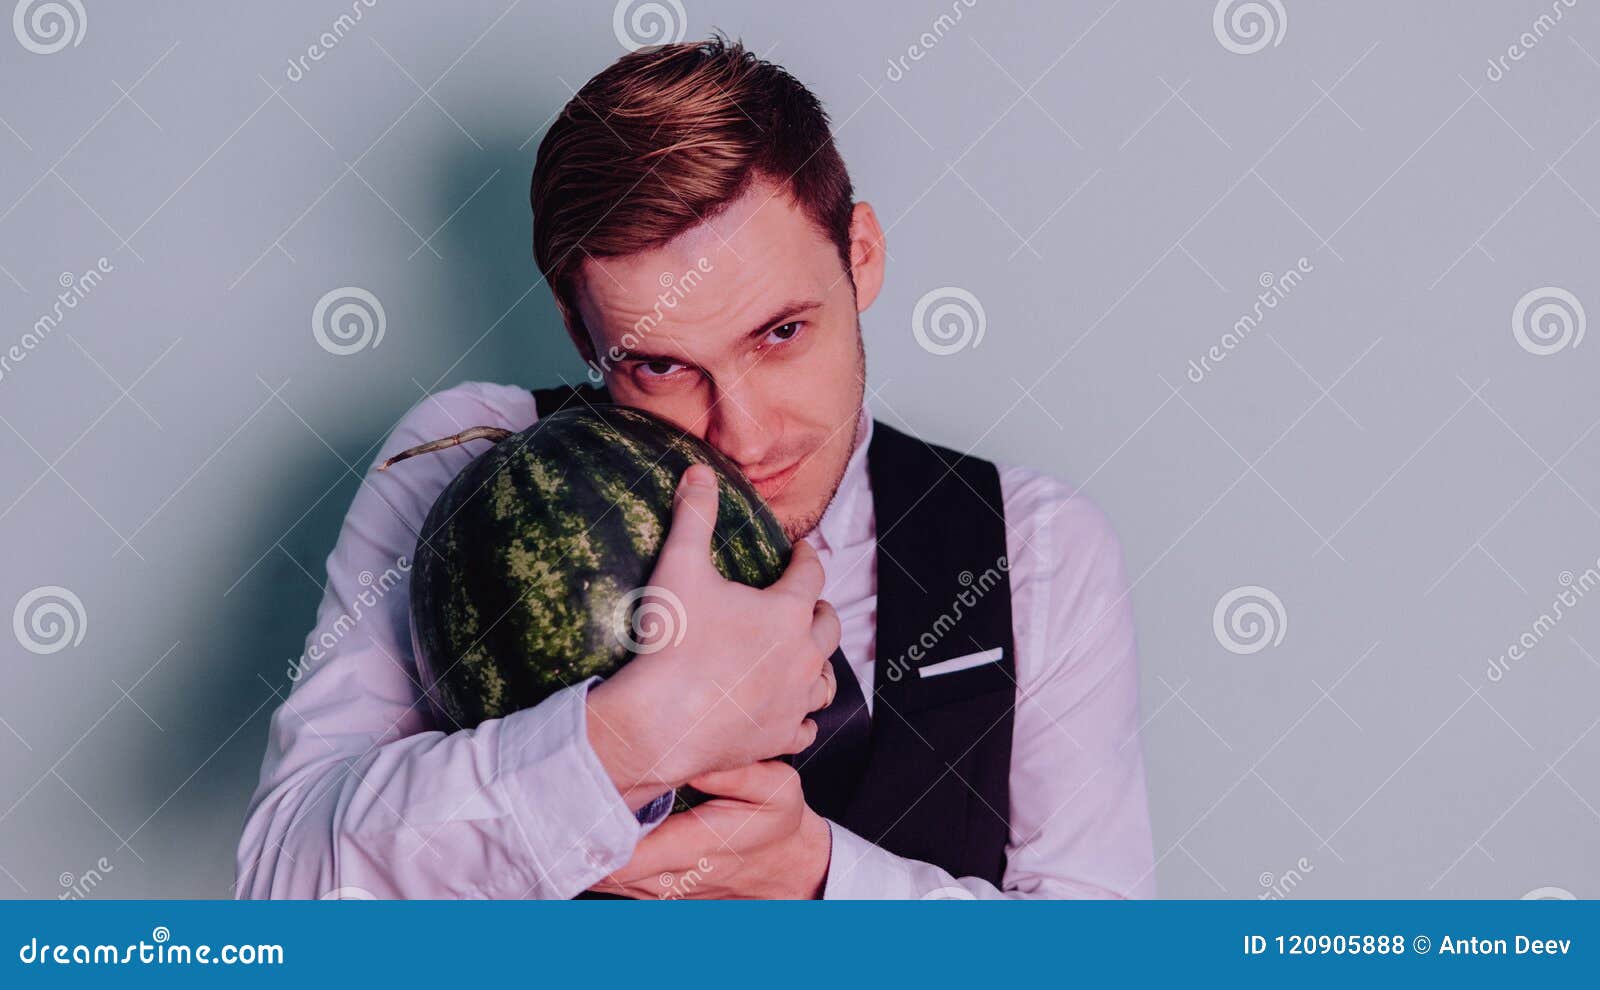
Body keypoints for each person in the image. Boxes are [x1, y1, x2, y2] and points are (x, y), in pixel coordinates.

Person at [235, 35, 1154, 900]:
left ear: (861, 256)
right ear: (579, 331)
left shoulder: (1034, 547)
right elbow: (285, 891)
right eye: (662, 367)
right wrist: (624, 739)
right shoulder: (470, 458)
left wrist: (814, 879)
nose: (743, 436)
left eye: (781, 333)